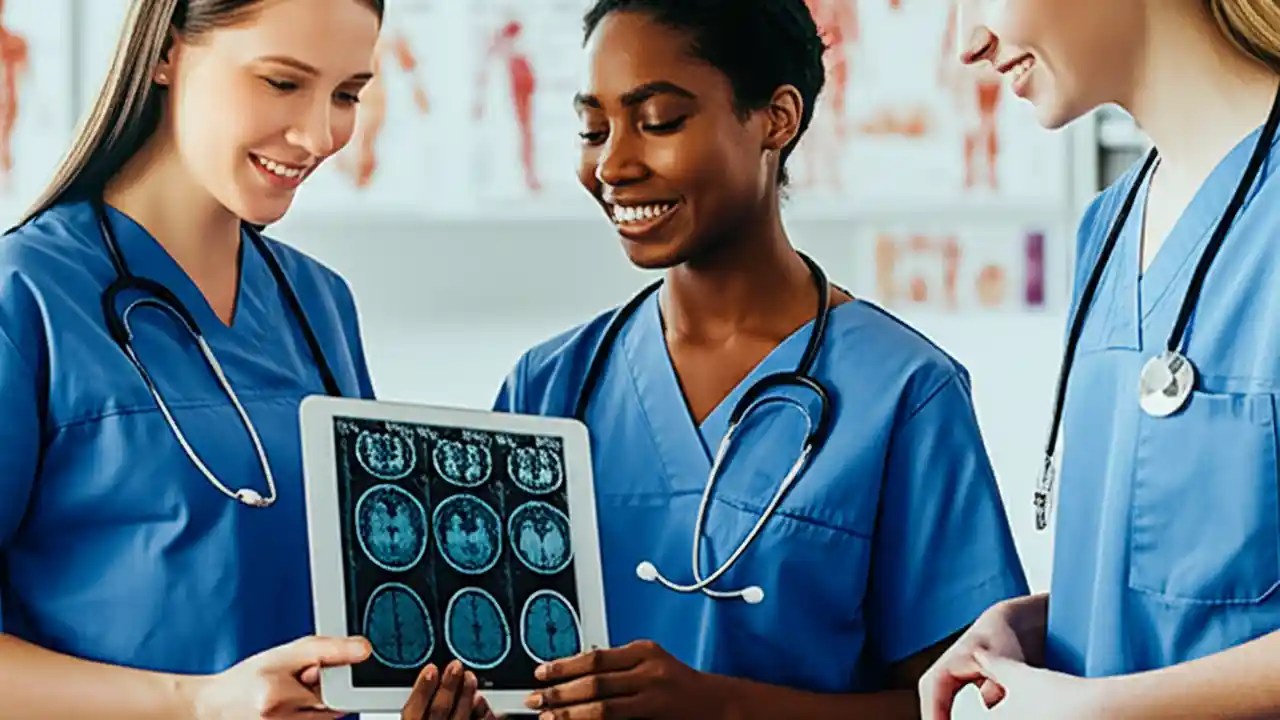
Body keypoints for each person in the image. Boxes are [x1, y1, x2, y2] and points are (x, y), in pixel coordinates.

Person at [492, 1, 1029, 717]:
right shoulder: (550, 386)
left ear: (777, 118)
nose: (613, 164)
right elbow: (505, 677)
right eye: (594, 130)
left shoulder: (904, 393)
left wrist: (719, 708)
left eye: (660, 122)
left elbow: (968, 706)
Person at [0, 1, 490, 718]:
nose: (319, 135)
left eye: (347, 94)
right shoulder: (26, 298)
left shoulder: (318, 305)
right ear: (166, 54)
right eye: (282, 82)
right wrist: (199, 704)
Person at [920, 1, 1280, 718]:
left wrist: (1105, 709)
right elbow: (1199, 586)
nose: (968, 42)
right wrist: (1039, 626)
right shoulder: (1108, 227)